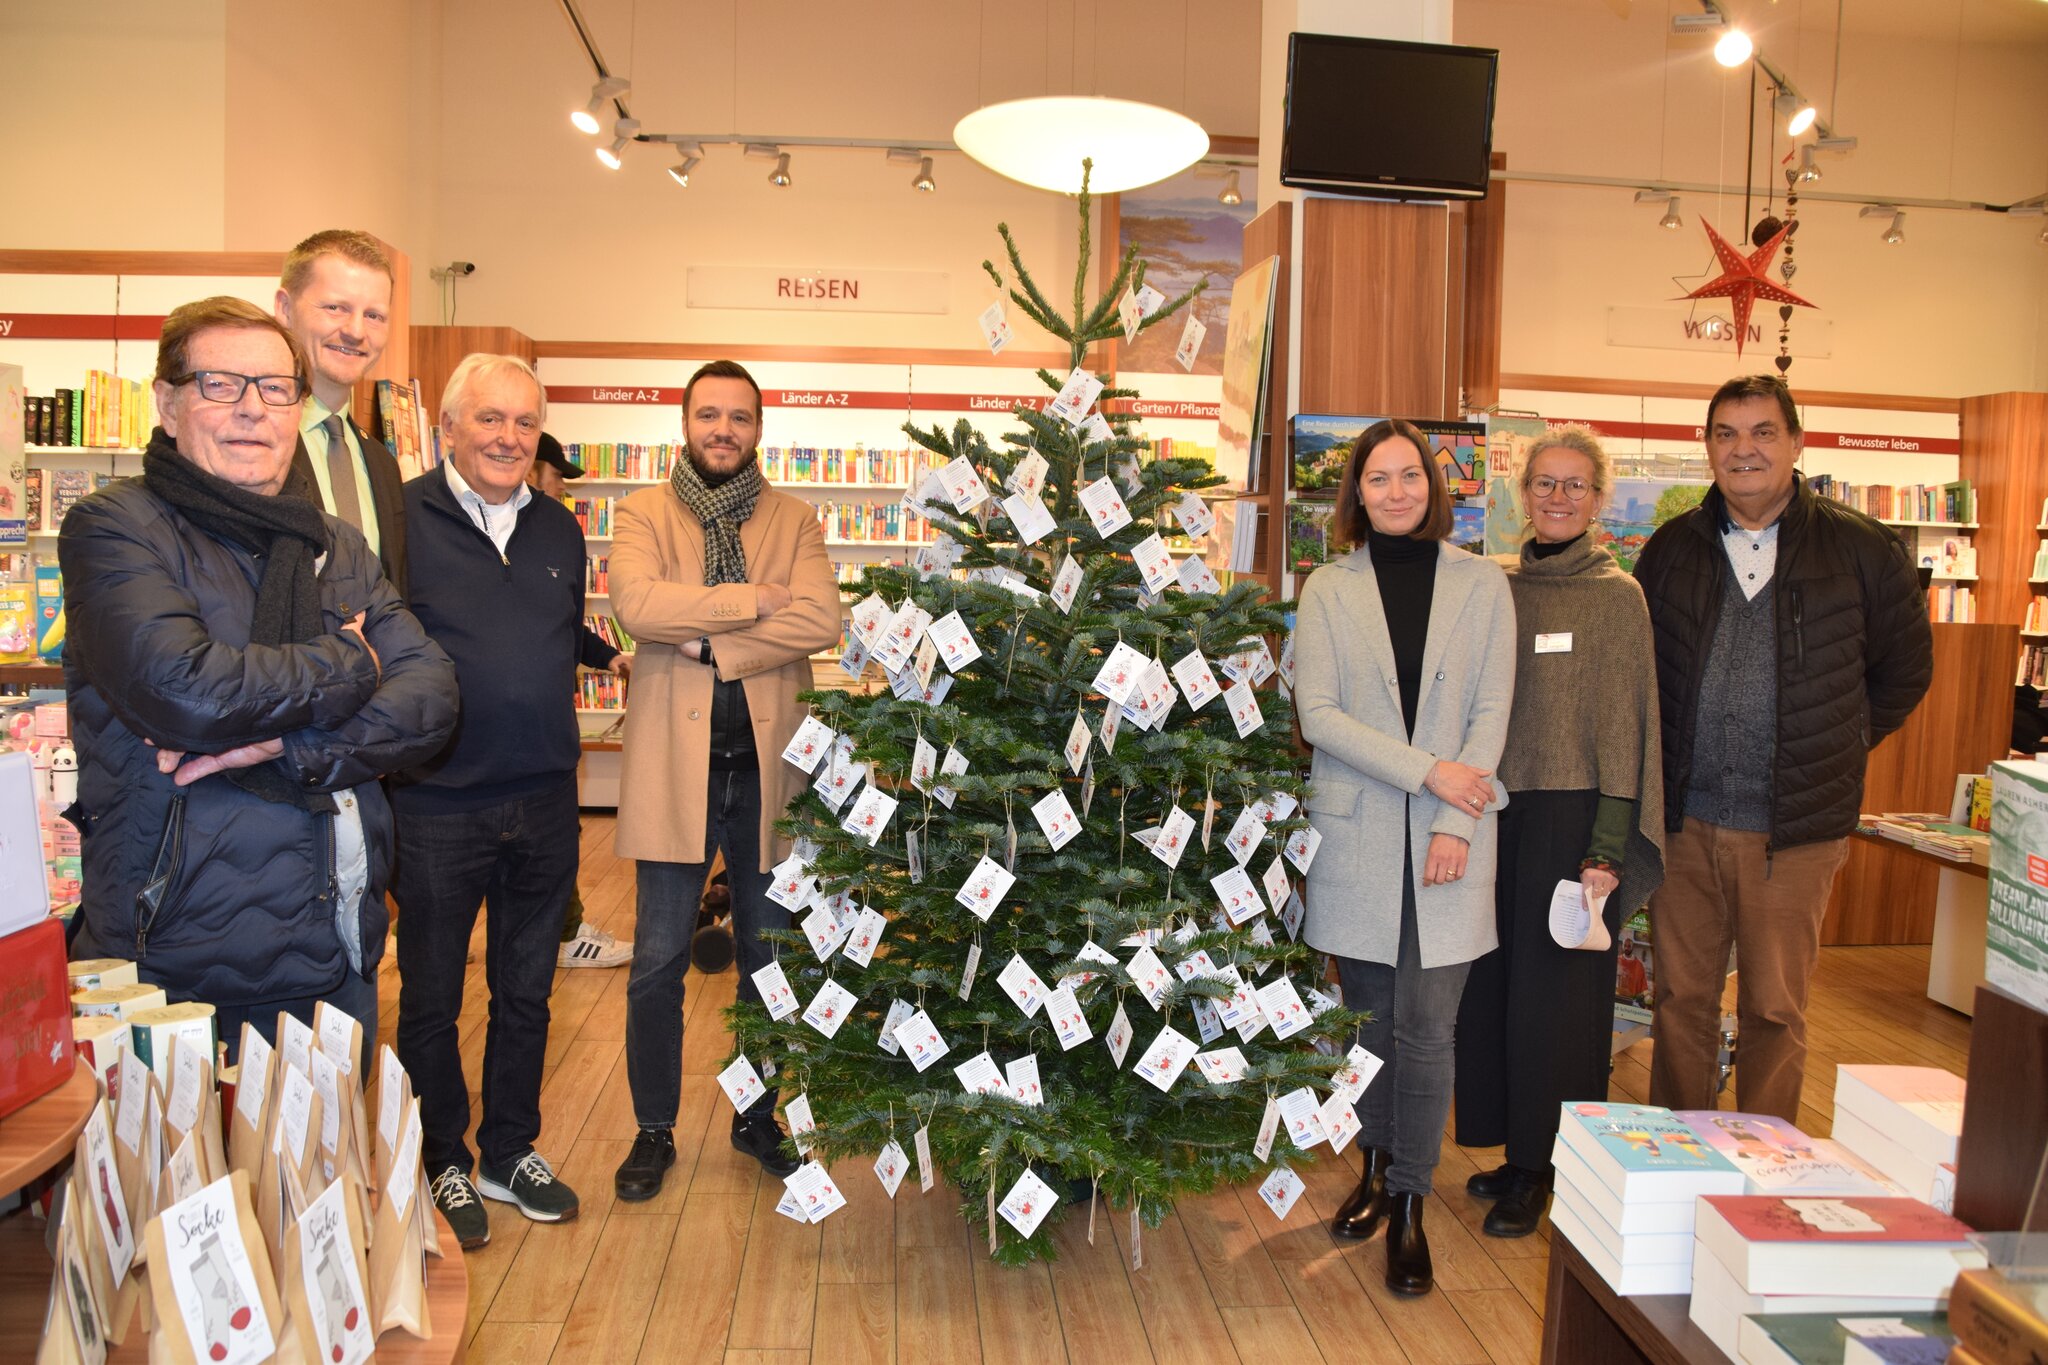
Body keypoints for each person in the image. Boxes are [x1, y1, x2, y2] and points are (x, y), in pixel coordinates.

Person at [59, 296, 455, 1061]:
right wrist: (352, 661)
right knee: (188, 1181)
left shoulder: (334, 543)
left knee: (329, 1178)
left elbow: (433, 698)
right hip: (172, 957)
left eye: (275, 388)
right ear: (168, 403)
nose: (252, 410)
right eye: (220, 384)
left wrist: (282, 746)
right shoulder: (115, 527)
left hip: (334, 941)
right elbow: (187, 692)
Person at [1634, 374, 1933, 1123]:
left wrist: (1837, 742)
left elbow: (1905, 671)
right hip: (1685, 823)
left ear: (1797, 443)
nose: (1745, 450)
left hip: (1794, 831)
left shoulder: (1863, 549)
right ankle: (1679, 1151)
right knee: (1681, 1000)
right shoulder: (1671, 551)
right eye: (1727, 434)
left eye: (1764, 432)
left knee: (1774, 1006)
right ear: (1707, 449)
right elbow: (1643, 675)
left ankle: (1764, 1163)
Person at [606, 359, 839, 1201]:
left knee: (766, 960)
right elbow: (637, 605)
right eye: (710, 414)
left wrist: (707, 638)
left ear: (758, 430)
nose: (723, 430)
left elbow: (822, 617)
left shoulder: (796, 517)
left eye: (739, 417)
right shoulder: (641, 512)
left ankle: (755, 1115)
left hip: (769, 775)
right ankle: (653, 1128)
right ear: (686, 423)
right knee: (658, 961)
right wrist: (755, 602)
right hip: (678, 770)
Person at [1294, 419, 1516, 1296]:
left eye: (1410, 475)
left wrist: (1457, 816)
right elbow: (1320, 717)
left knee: (1429, 1032)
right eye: (1378, 478)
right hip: (1358, 837)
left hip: (1453, 839)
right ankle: (1375, 1171)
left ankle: (1413, 1203)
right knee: (1372, 1029)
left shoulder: (1482, 585)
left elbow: (1493, 708)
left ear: (1435, 484)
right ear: (1356, 493)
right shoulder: (1326, 588)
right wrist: (1431, 773)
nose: (1396, 491)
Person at [391, 354, 597, 1248]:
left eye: (523, 422)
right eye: (489, 420)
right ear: (447, 428)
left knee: (529, 987)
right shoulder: (401, 518)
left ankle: (509, 1147)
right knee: (432, 991)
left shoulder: (560, 529)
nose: (509, 438)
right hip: (438, 801)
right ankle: (440, 1151)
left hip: (547, 795)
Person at [1453, 426, 1666, 1237]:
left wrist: (1607, 851)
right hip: (1497, 812)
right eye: (1544, 483)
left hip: (1576, 822)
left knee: (1562, 1004)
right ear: (1522, 494)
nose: (1558, 497)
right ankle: (1514, 1152)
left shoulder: (1619, 598)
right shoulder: (1496, 588)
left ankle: (1547, 1168)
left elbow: (1628, 730)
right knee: (1498, 991)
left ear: (1599, 499)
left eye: (1575, 485)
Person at [524, 431, 636, 971]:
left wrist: (611, 657)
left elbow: (567, 623)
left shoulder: (558, 532)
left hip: (551, 714)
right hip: (522, 718)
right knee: (551, 829)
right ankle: (565, 934)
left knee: (557, 825)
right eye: (556, 477)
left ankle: (562, 929)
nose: (563, 490)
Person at [274, 230, 408, 594]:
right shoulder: (250, 445)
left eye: (375, 316)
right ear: (285, 309)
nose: (355, 331)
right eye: (336, 307)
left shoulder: (382, 464)